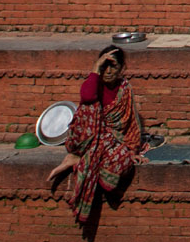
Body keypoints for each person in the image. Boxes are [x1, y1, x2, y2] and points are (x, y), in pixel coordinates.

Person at [47, 45, 147, 227]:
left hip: (111, 140)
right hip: (88, 137)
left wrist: (132, 150)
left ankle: (79, 160)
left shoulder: (125, 89)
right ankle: (76, 154)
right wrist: (95, 69)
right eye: (104, 66)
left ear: (121, 69)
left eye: (113, 67)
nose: (108, 71)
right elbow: (86, 97)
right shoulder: (94, 83)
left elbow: (131, 122)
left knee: (122, 163)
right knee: (89, 107)